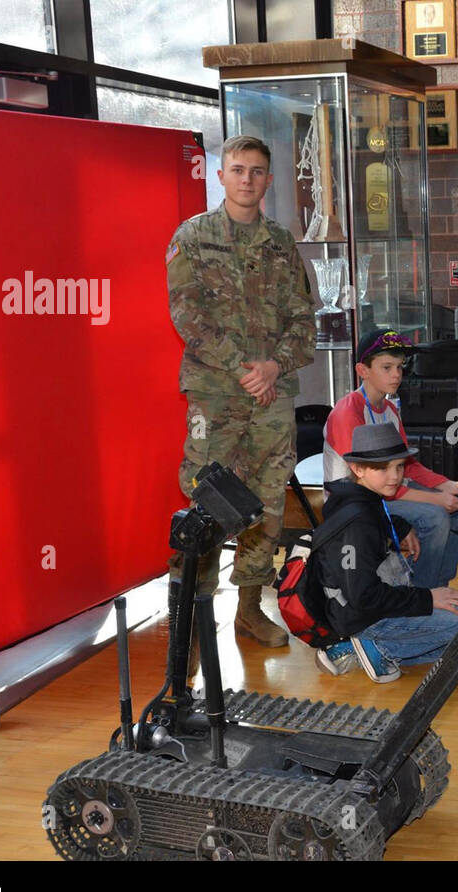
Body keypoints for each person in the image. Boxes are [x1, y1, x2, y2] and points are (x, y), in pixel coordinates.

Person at [166, 134, 315, 654]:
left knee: (267, 504)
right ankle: (188, 625)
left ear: (269, 181)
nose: (247, 179)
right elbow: (188, 317)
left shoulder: (281, 243)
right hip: (217, 395)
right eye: (237, 169)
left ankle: (249, 610)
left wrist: (274, 366)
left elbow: (303, 319)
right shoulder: (193, 236)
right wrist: (243, 369)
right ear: (221, 176)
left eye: (256, 171)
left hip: (271, 397)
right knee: (206, 504)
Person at [306, 424, 458, 683]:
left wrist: (400, 526)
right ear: (357, 469)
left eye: (398, 466)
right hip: (361, 618)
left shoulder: (363, 498)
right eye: (382, 468)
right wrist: (427, 598)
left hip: (370, 605)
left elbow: (374, 524)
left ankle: (375, 652)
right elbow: (362, 596)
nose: (394, 476)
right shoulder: (357, 523)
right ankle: (372, 648)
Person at [324, 329, 458, 588]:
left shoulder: (390, 409)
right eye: (386, 367)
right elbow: (373, 481)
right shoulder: (348, 412)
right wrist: (437, 499)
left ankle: (436, 584)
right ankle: (423, 595)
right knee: (436, 517)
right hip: (357, 501)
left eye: (399, 367)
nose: (396, 374)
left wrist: (445, 485)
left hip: (388, 488)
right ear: (363, 370)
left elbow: (408, 464)